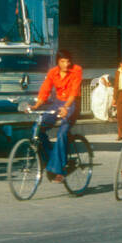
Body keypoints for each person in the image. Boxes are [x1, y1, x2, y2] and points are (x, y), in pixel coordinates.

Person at [32, 49, 83, 182]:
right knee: (37, 128)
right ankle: (50, 161)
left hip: (72, 103)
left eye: (68, 61)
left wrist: (66, 107)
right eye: (62, 61)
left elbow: (74, 91)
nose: (66, 64)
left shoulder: (76, 70)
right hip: (57, 102)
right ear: (57, 62)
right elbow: (45, 89)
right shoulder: (53, 72)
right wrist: (36, 105)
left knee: (62, 133)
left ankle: (58, 169)